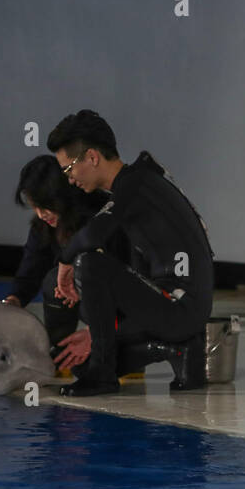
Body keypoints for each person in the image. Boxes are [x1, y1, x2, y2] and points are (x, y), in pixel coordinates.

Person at [46, 109, 215, 396]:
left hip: (181, 308)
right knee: (80, 365)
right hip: (179, 305)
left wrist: (64, 262)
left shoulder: (134, 185)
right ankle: (179, 348)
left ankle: (103, 377)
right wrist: (95, 334)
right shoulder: (140, 182)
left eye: (68, 169)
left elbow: (92, 236)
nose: (70, 179)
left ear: (92, 157)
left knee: (90, 264)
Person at [5, 154, 105, 352]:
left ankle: (122, 349)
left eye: (47, 206)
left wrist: (80, 284)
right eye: (36, 207)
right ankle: (62, 349)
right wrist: (14, 298)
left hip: (118, 295)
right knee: (54, 284)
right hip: (78, 295)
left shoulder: (100, 212)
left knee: (59, 280)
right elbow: (32, 266)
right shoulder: (43, 226)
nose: (42, 214)